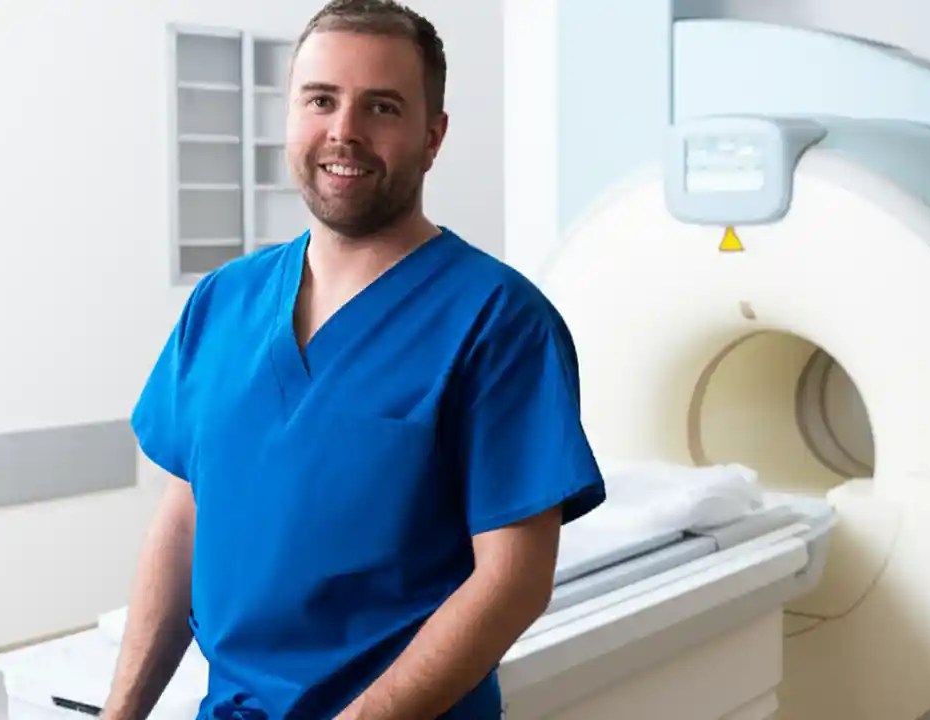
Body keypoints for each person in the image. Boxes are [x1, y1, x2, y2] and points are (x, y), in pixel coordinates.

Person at [101, 1, 606, 717]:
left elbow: (515, 578)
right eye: (321, 100)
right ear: (291, 117)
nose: (345, 131)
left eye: (382, 107)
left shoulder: (498, 321)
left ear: (432, 137)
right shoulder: (223, 302)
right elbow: (184, 520)